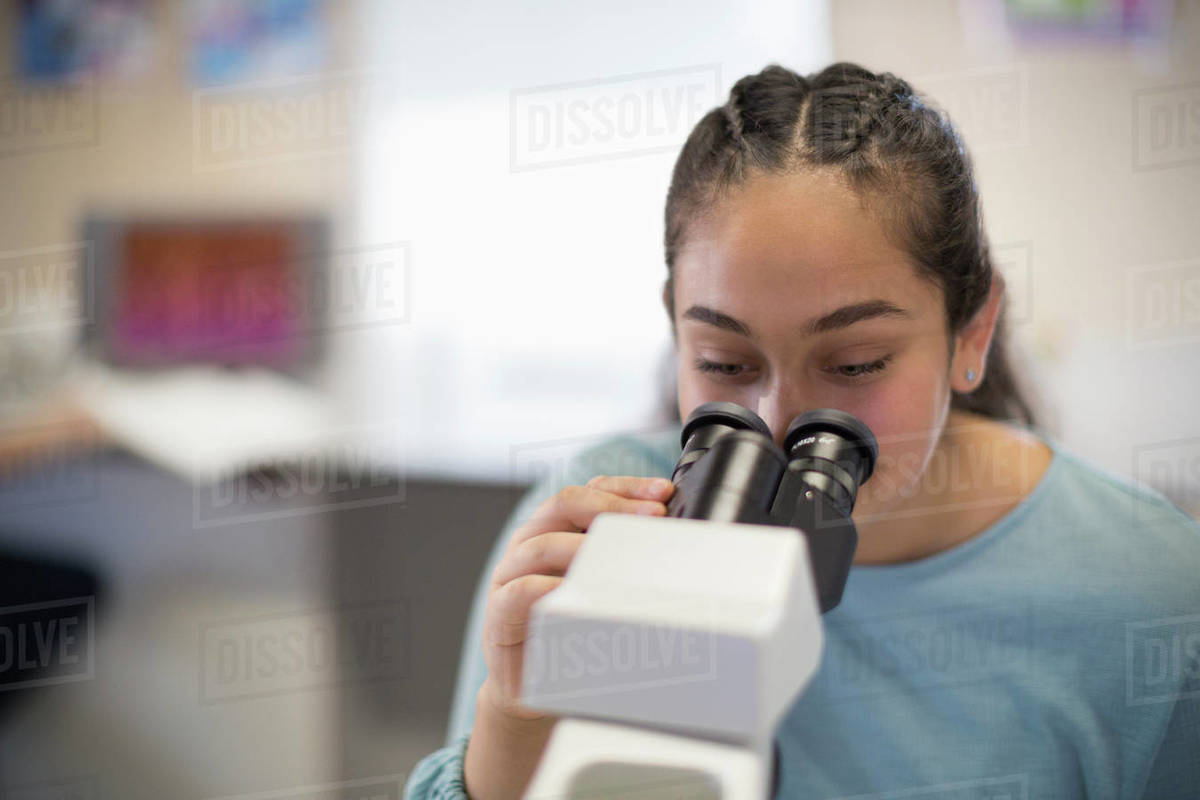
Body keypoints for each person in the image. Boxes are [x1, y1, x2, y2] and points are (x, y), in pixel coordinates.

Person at [404, 63, 1200, 800]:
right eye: (723, 361)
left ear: (972, 331)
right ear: (676, 333)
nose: (779, 426)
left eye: (854, 364)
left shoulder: (1148, 594)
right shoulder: (597, 528)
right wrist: (515, 721)